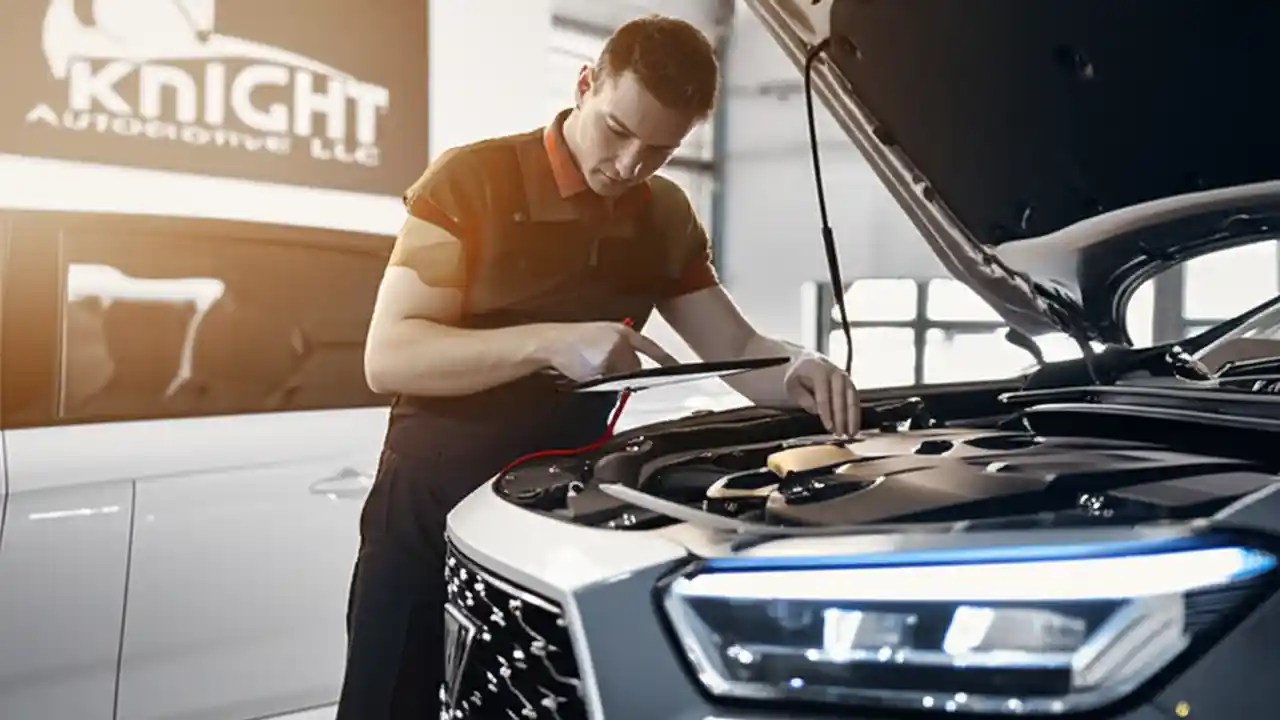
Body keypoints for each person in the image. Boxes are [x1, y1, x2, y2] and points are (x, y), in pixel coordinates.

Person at [336, 14, 860, 719]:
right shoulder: (472, 179)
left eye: (661, 150)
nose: (628, 166)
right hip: (431, 506)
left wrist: (800, 366)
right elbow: (391, 353)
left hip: (564, 518)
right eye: (616, 131)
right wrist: (550, 343)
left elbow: (734, 349)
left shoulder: (663, 215)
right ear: (585, 86)